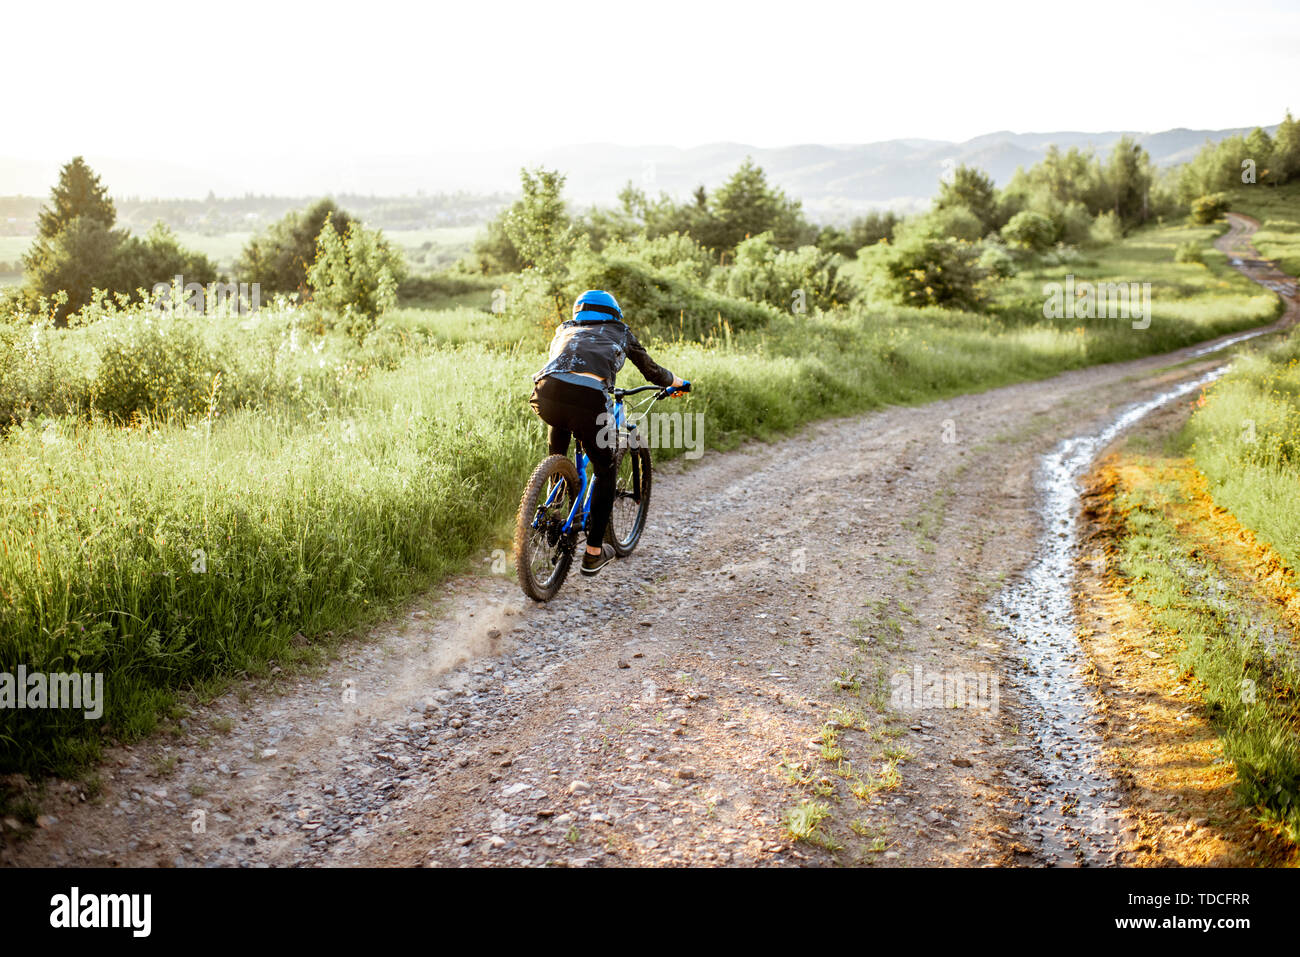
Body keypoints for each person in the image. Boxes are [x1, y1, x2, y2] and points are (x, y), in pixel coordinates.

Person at [529, 290, 686, 576]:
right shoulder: (620, 331)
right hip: (589, 400)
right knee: (605, 468)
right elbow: (652, 372)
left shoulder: (564, 328)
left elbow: (565, 366)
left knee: (561, 422)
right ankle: (593, 553)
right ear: (613, 313)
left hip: (546, 393)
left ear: (579, 312)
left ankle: (557, 495)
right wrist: (677, 382)